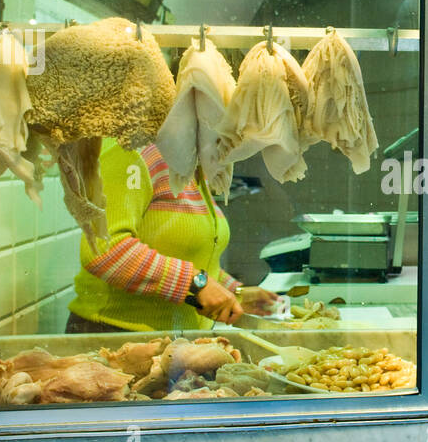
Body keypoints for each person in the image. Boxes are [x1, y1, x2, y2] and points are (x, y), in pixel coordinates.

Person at [66, 140, 280, 334]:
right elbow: (104, 249)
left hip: (175, 340)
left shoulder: (187, 161)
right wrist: (197, 285)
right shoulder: (130, 151)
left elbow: (187, 254)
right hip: (117, 337)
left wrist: (233, 292)